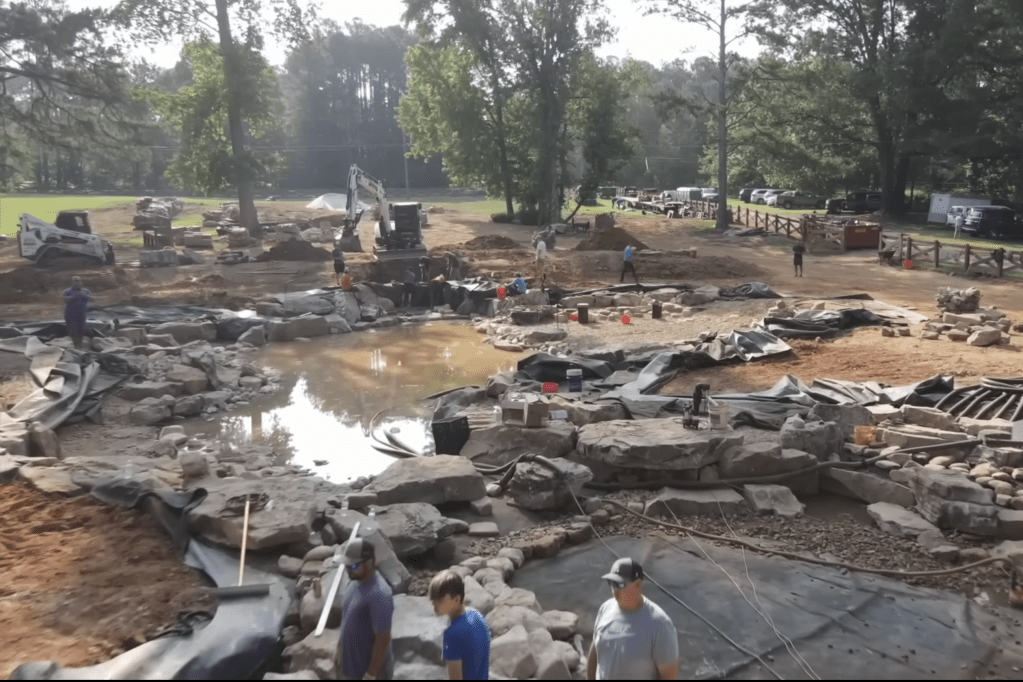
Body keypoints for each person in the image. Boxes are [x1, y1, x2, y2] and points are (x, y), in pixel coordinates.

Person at [587, 558, 679, 680]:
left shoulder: (660, 624)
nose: (615, 589)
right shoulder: (605, 609)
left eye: (620, 584)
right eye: (612, 583)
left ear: (638, 584)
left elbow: (670, 676)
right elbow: (594, 654)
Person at [338, 538, 394, 681]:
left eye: (353, 566)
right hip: (351, 668)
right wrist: (339, 648)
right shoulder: (353, 583)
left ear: (370, 562)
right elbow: (345, 617)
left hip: (369, 672)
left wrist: (371, 674)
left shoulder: (380, 594)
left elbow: (383, 638)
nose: (349, 570)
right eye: (347, 566)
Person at [429, 570, 491, 680]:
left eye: (440, 600)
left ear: (457, 599)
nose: (434, 604)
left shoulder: (452, 634)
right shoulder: (476, 615)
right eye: (433, 599)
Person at [62, 276, 93, 350]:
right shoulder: (67, 291)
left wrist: (84, 296)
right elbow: (65, 300)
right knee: (73, 331)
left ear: (81, 282)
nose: (76, 282)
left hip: (82, 314)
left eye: (78, 281)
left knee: (81, 330)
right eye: (75, 281)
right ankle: (75, 345)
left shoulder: (86, 291)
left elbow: (92, 299)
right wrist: (74, 296)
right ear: (72, 282)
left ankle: (80, 345)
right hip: (70, 314)